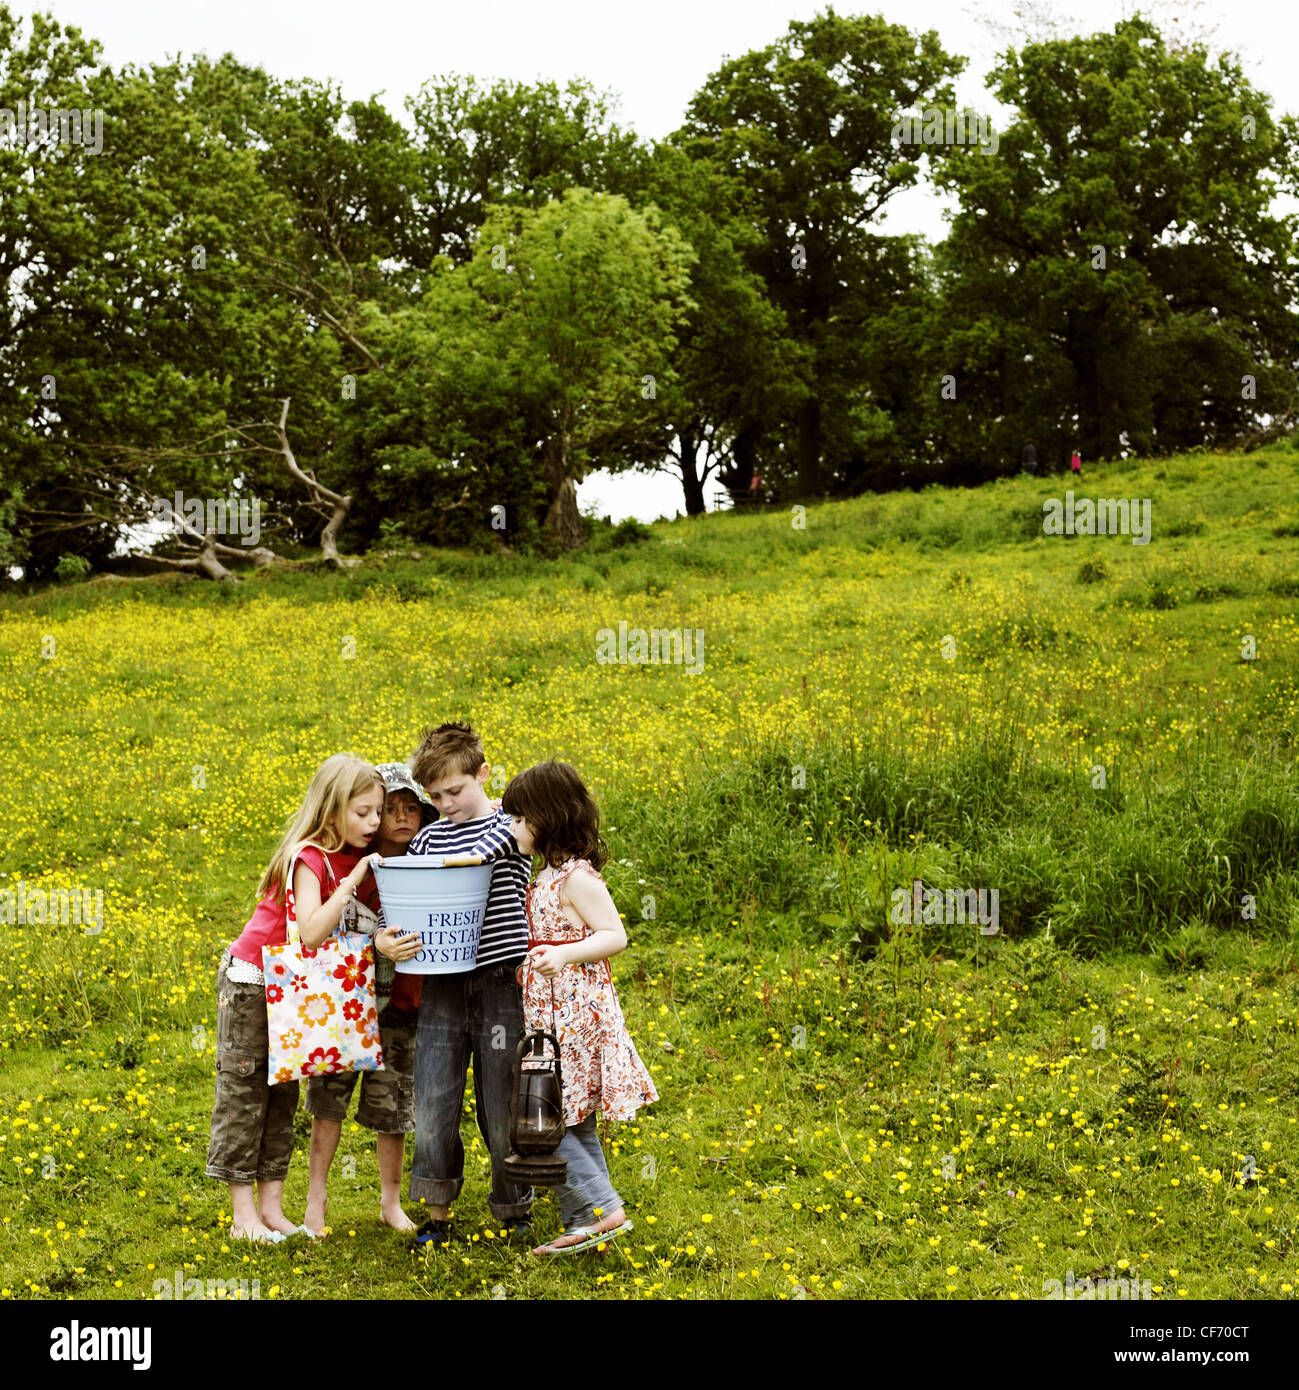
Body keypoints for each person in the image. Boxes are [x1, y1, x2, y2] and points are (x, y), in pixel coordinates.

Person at [205, 754, 385, 1242]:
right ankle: (243, 1216)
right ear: (331, 812)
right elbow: (308, 933)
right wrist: (350, 885)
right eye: (362, 812)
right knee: (246, 1095)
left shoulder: (356, 857)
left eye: (378, 812)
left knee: (283, 1094)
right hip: (252, 984)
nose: (373, 822)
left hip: (293, 990)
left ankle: (272, 1209)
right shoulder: (309, 858)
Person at [375, 722, 533, 1250]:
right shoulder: (427, 836)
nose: (446, 805)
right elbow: (407, 896)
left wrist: (486, 844)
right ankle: (438, 1212)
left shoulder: (513, 826)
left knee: (501, 1096)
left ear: (483, 773)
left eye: (456, 791)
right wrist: (385, 938)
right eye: (435, 796)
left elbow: (506, 840)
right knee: (435, 1095)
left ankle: (514, 1208)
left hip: (500, 979)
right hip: (442, 981)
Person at [501, 760, 658, 1258]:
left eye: (519, 818)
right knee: (571, 1119)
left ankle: (601, 1209)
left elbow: (615, 935)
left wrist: (564, 953)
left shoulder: (576, 878)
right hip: (550, 1014)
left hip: (576, 1016)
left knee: (544, 1116)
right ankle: (587, 1217)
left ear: (546, 817)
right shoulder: (546, 873)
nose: (512, 828)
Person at [302, 763, 436, 1236]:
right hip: (345, 1002)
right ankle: (315, 1200)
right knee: (328, 1102)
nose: (396, 818)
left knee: (393, 1107)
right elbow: (324, 927)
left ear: (425, 813)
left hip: (403, 1005)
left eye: (409, 808)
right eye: (387, 808)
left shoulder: (429, 857)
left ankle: (390, 1201)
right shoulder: (355, 859)